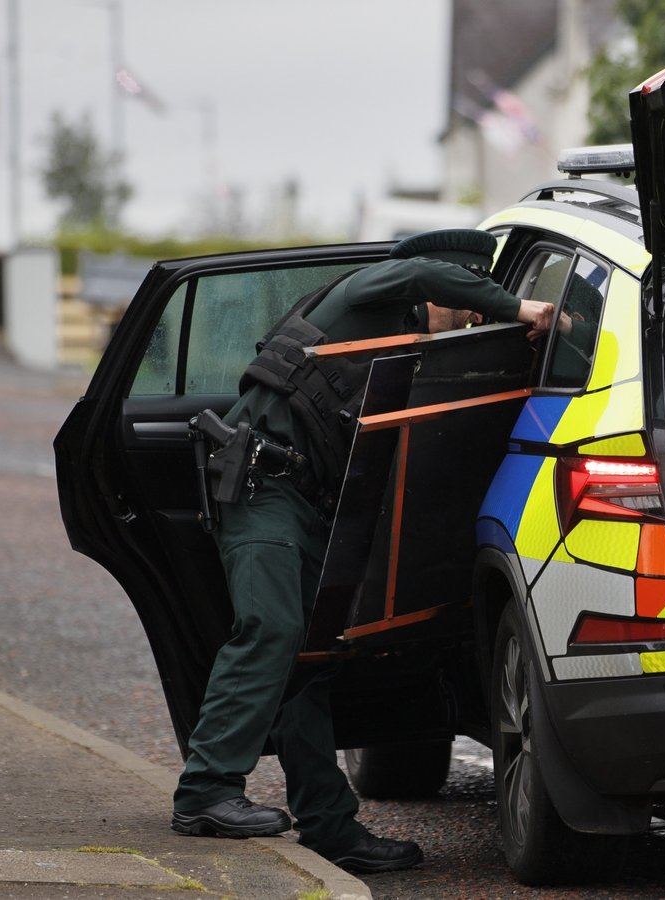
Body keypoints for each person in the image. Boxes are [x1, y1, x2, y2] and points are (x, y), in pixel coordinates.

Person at [169, 229, 557, 874]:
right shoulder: (366, 292)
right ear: (439, 282)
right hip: (260, 489)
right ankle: (206, 792)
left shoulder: (403, 342)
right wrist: (521, 309)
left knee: (309, 660)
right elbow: (421, 275)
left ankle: (329, 826)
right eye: (467, 305)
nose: (469, 321)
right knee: (272, 627)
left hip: (303, 498)